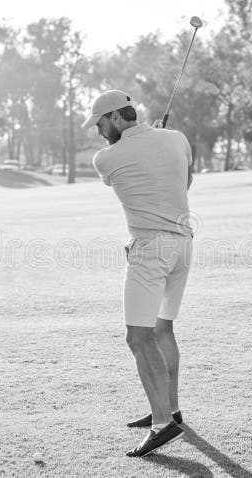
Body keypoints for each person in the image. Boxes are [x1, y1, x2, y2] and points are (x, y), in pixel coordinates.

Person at [81, 90, 194, 457]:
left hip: (150, 251)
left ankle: (162, 424)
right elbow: (182, 182)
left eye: (100, 123)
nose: (98, 131)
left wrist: (147, 140)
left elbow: (132, 164)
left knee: (138, 338)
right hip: (183, 247)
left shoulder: (106, 158)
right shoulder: (177, 139)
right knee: (162, 329)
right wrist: (157, 138)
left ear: (116, 117)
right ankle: (170, 409)